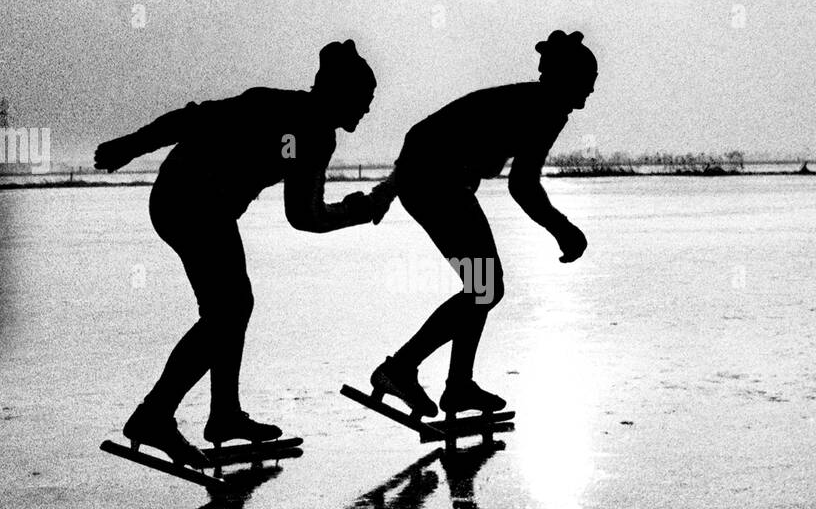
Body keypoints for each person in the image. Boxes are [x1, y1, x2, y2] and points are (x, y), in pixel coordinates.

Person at [95, 40, 394, 465]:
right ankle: (154, 415)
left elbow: (192, 120)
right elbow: (303, 215)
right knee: (227, 310)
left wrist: (130, 146)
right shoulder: (296, 122)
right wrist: (360, 210)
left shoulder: (298, 121)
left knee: (233, 307)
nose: (366, 109)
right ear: (338, 92)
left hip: (200, 204)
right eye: (364, 98)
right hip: (190, 201)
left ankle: (224, 415)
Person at [371, 29, 596, 418]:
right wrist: (563, 230)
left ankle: (456, 385)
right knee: (485, 287)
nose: (591, 92)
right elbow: (523, 186)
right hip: (433, 178)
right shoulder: (547, 108)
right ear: (568, 79)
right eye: (588, 82)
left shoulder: (536, 100)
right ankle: (401, 369)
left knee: (482, 286)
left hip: (434, 176)